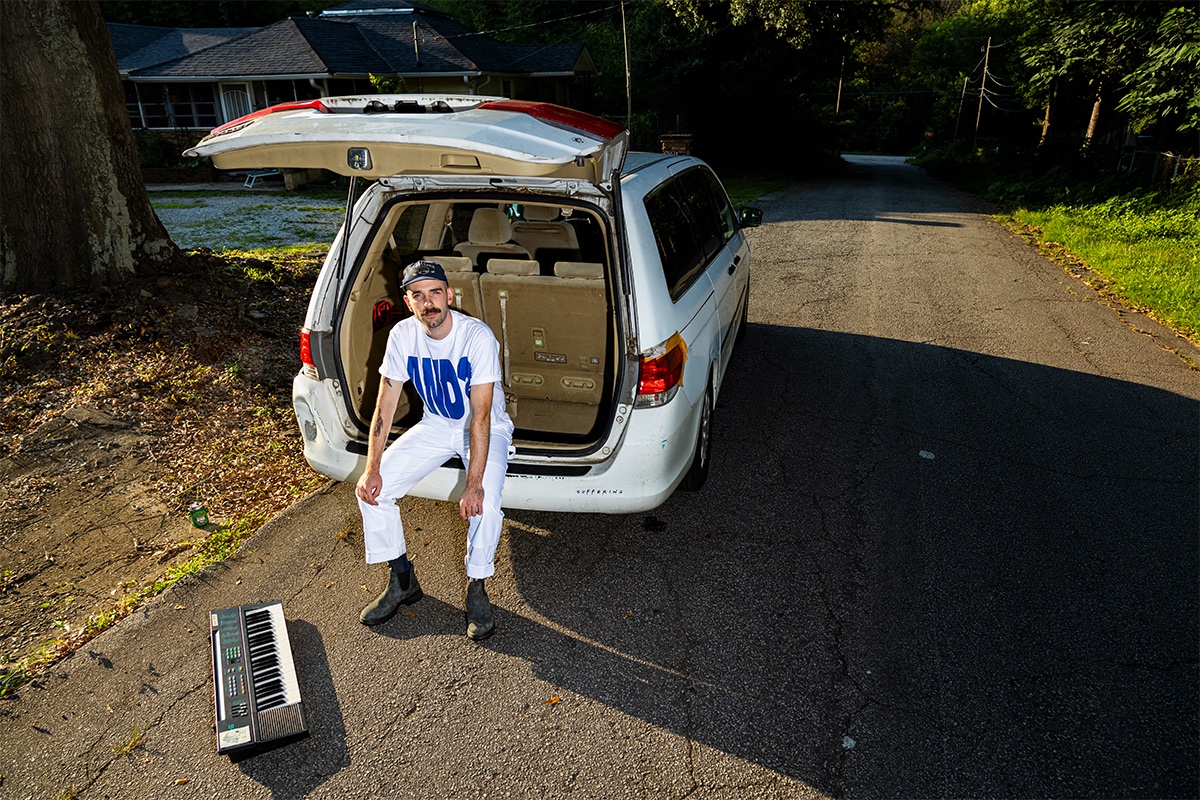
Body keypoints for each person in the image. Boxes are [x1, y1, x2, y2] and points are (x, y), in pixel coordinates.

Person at [355, 259, 513, 640]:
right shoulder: (402, 335)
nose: (429, 304)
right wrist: (372, 466)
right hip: (436, 424)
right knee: (372, 493)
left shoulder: (476, 337)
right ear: (407, 301)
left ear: (450, 295)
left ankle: (477, 587)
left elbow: (481, 416)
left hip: (484, 428)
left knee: (486, 504)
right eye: (418, 296)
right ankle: (402, 580)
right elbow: (385, 405)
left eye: (435, 293)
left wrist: (473, 483)